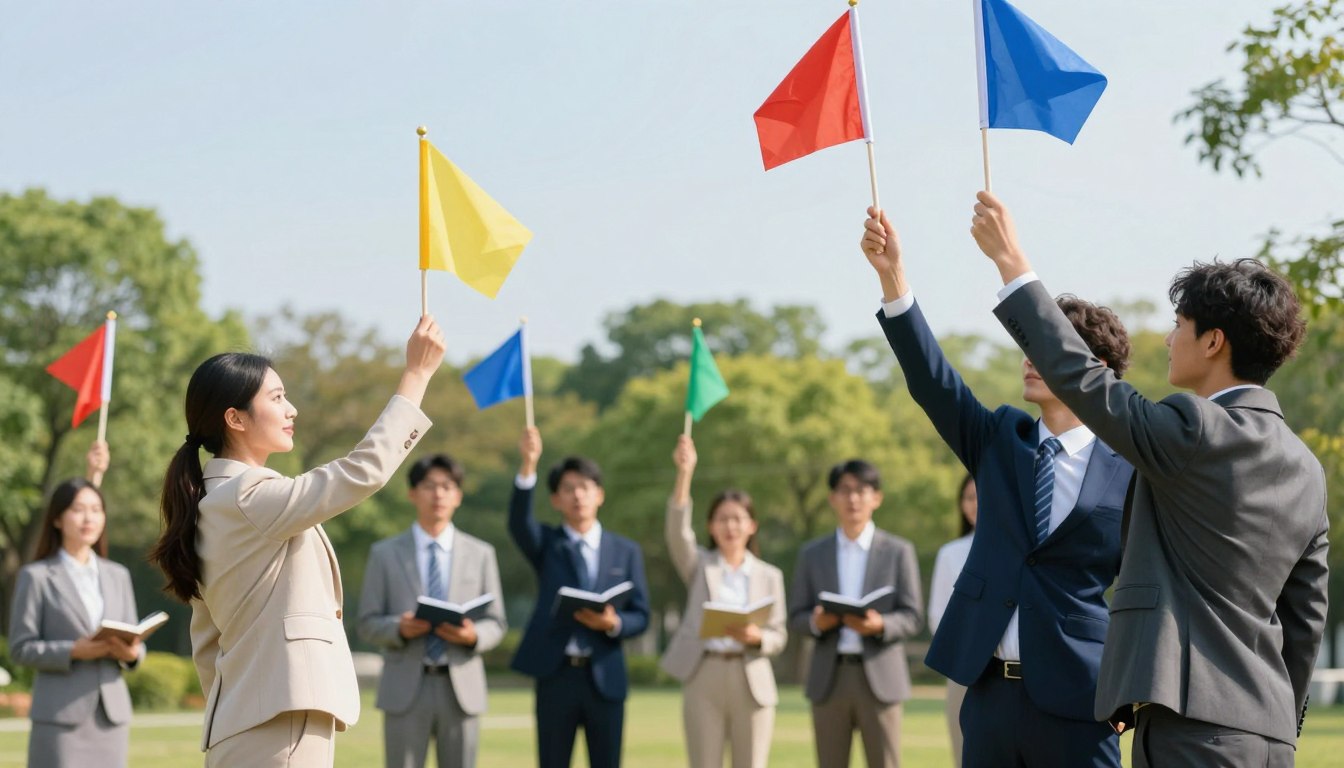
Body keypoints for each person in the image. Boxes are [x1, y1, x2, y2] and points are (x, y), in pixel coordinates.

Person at [969, 190, 1329, 767]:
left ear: (1213, 341)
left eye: (1180, 324)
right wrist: (1279, 720)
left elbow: (1086, 383)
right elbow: (1305, 619)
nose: (1168, 339)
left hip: (1192, 732)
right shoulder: (1307, 467)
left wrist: (1012, 264)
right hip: (1268, 736)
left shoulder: (1195, 428)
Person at [861, 206, 1136, 768]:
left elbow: (1150, 587)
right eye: (1027, 345)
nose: (1030, 359)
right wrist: (893, 278)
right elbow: (932, 380)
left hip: (1082, 705)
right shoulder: (999, 439)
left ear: (1096, 367)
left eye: (1048, 347)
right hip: (986, 698)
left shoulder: (1133, 467)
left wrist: (1133, 693)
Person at [149, 315, 445, 768]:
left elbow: (208, 642)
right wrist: (417, 375)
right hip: (278, 720)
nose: (292, 410)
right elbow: (360, 472)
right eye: (277, 397)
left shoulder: (213, 501)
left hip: (245, 724)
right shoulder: (248, 496)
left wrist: (239, 704)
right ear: (235, 418)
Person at [507, 426, 651, 768]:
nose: (578, 496)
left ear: (599, 494)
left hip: (605, 676)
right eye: (568, 489)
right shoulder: (546, 544)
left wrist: (615, 622)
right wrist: (528, 465)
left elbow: (642, 614)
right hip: (557, 674)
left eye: (585, 487)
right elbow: (518, 523)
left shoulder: (626, 551)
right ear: (556, 499)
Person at [357, 453, 507, 768]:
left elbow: (496, 621)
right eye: (429, 486)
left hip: (461, 687)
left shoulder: (482, 554)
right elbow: (367, 622)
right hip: (405, 687)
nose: (438, 494)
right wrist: (399, 628)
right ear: (413, 494)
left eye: (447, 486)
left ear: (458, 496)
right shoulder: (384, 554)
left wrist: (473, 635)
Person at [8, 441, 144, 768]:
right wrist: (73, 650)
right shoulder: (36, 576)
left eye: (96, 510)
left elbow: (134, 640)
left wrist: (132, 655)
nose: (89, 518)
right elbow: (21, 648)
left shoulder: (118, 575)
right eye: (78, 509)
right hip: (59, 719)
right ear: (57, 519)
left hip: (111, 718)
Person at [658, 435, 787, 768]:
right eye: (722, 519)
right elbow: (676, 533)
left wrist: (759, 638)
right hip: (705, 673)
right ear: (711, 527)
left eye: (738, 518)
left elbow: (779, 633)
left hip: (751, 675)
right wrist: (684, 473)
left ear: (751, 525)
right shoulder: (699, 566)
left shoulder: (769, 575)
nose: (730, 526)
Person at [787, 459, 923, 768]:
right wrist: (815, 622)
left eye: (862, 490)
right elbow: (796, 614)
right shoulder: (812, 554)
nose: (853, 499)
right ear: (831, 498)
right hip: (829, 678)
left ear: (877, 498)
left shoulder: (899, 551)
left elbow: (913, 615)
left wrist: (880, 624)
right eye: (844, 490)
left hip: (880, 676)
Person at [926, 476, 976, 768]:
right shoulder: (950, 553)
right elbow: (938, 616)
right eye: (968, 497)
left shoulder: (1020, 546)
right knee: (963, 756)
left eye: (980, 496)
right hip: (962, 670)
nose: (975, 504)